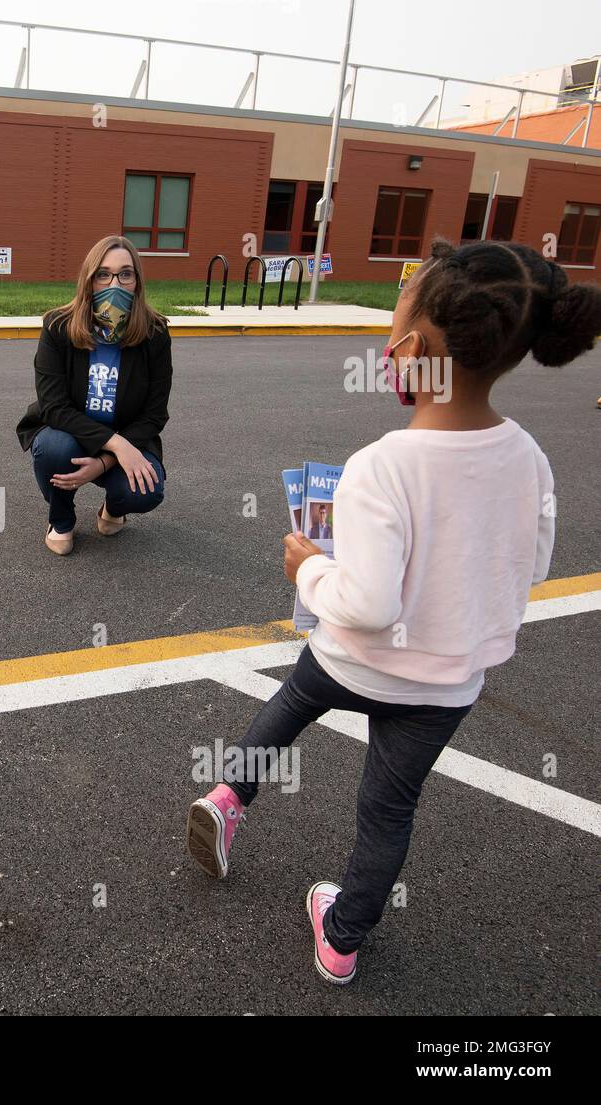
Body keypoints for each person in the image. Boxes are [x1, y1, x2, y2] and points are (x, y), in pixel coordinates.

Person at [185, 238, 601, 984]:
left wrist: (310, 568)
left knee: (285, 707)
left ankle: (228, 794)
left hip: (351, 657)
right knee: (387, 809)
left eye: (393, 321)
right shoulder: (529, 457)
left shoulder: (383, 465)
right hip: (443, 684)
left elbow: (369, 603)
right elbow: (531, 563)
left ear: (415, 345)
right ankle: (342, 940)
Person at [15, 236, 172, 555]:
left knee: (147, 488)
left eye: (125, 274)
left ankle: (113, 508)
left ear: (137, 281)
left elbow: (155, 415)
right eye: (104, 274)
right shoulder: (58, 327)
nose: (115, 282)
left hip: (126, 436)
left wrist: (104, 462)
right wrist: (116, 445)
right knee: (53, 448)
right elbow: (54, 407)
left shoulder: (155, 333)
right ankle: (61, 520)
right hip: (72, 434)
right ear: (89, 280)